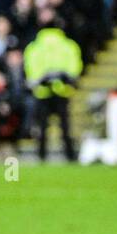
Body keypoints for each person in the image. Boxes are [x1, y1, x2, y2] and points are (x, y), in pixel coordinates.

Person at [24, 17, 83, 162]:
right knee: (65, 126)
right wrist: (64, 78)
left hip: (42, 92)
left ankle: (41, 156)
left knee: (42, 127)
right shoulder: (69, 45)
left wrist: (40, 80)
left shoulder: (34, 46)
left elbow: (30, 68)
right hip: (63, 91)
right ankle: (70, 156)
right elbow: (75, 67)